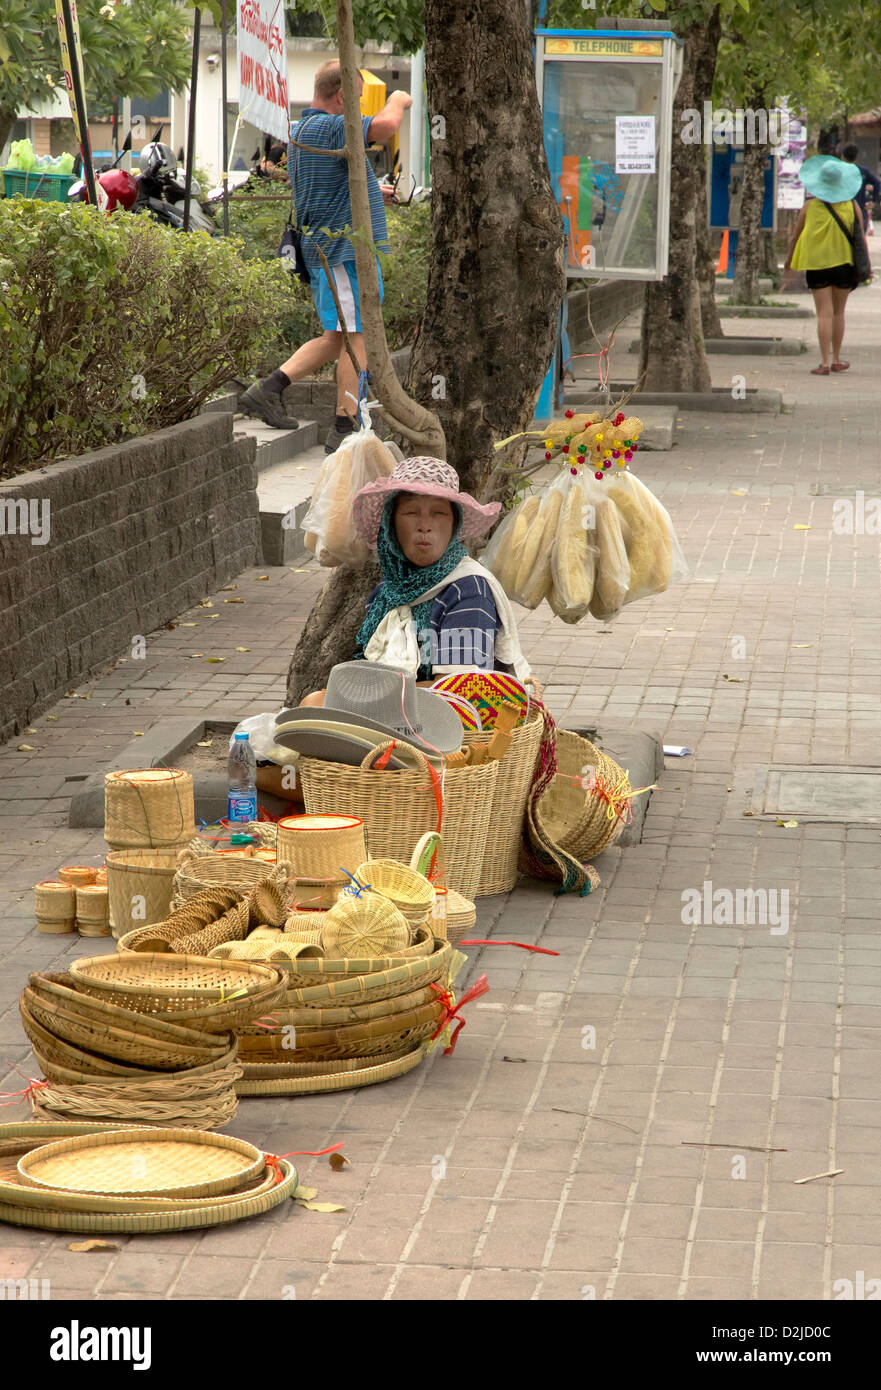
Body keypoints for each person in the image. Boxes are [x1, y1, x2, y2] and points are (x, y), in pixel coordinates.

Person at [238, 59, 411, 444]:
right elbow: (385, 127)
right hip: (340, 253)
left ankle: (267, 390)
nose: (360, 108)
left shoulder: (304, 131)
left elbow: (329, 182)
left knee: (339, 336)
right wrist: (399, 98)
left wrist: (371, 190)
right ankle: (344, 427)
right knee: (355, 337)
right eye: (358, 99)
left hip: (328, 252)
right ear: (341, 95)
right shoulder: (333, 127)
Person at [299, 457, 533, 708]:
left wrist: (360, 699)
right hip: (395, 715)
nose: (425, 526)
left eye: (439, 513)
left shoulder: (467, 590)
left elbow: (457, 693)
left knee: (318, 704)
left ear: (454, 524)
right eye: (410, 513)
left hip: (450, 726)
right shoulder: (385, 595)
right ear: (391, 524)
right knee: (312, 704)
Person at [785, 154, 864, 375]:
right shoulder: (852, 206)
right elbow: (860, 238)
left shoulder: (809, 207)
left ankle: (824, 363)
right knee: (839, 312)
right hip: (844, 265)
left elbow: (795, 236)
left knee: (824, 313)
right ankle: (837, 359)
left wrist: (789, 261)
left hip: (817, 265)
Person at [841, 143, 881, 237]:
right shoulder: (863, 171)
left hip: (842, 212)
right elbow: (877, 183)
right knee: (860, 243)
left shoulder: (839, 171)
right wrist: (875, 201)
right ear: (856, 156)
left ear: (843, 156)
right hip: (860, 212)